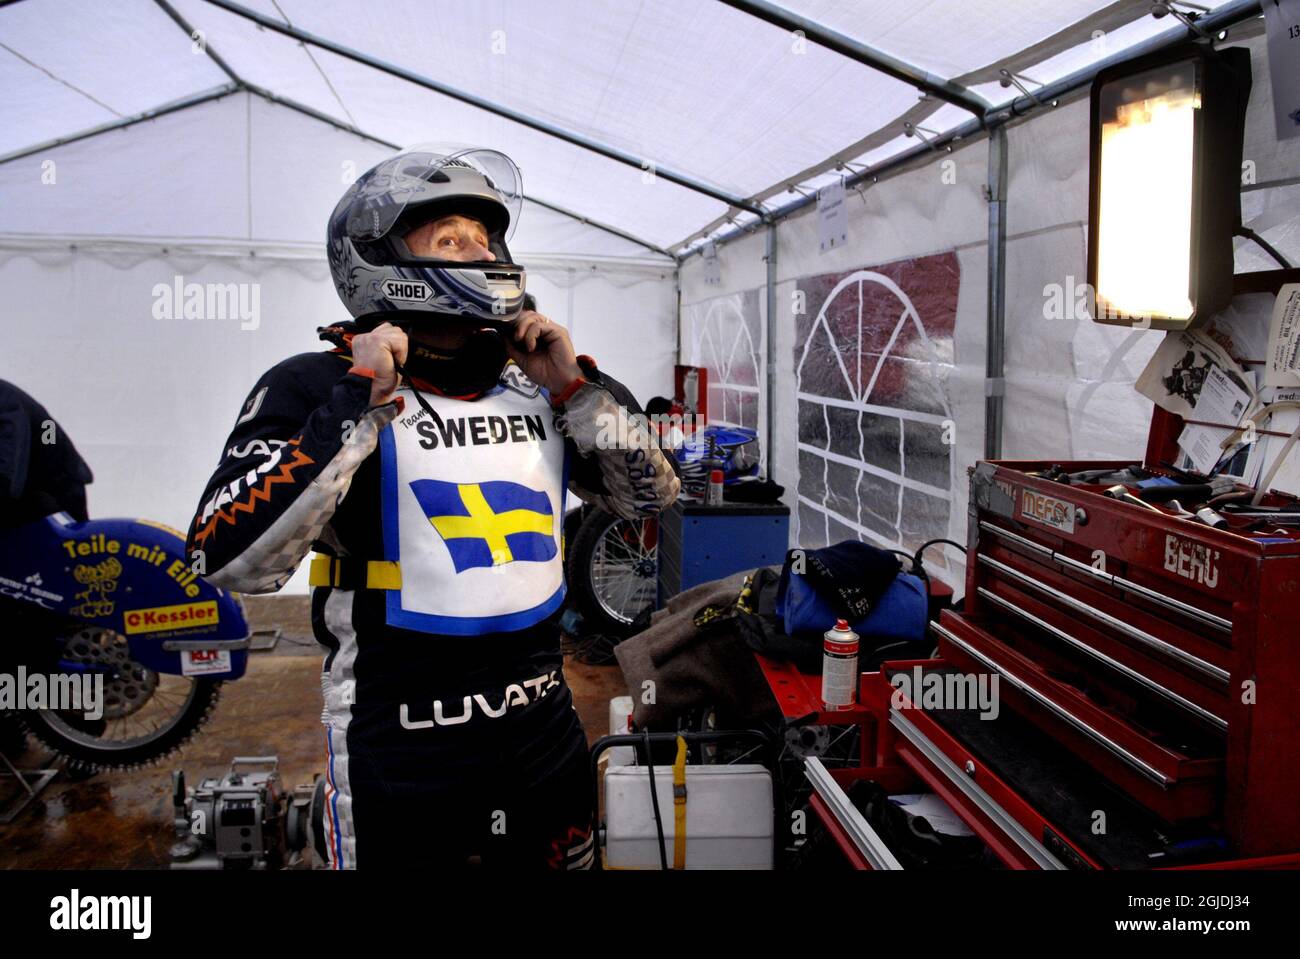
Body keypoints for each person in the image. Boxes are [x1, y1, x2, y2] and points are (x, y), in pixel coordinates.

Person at [185, 145, 679, 869]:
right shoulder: (318, 383)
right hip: (401, 763)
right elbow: (226, 557)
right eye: (450, 237)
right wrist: (357, 400)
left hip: (546, 745)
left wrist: (577, 388)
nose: (477, 252)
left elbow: (651, 495)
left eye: (486, 238)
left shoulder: (539, 380)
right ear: (378, 255)